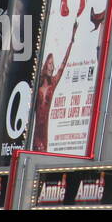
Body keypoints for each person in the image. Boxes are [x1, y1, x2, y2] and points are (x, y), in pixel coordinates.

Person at [30, 22, 78, 152]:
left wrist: (72, 40)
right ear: (46, 64)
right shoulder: (38, 82)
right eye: (50, 63)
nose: (52, 66)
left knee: (42, 152)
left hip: (44, 128)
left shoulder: (54, 81)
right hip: (34, 126)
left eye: (53, 64)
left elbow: (64, 62)